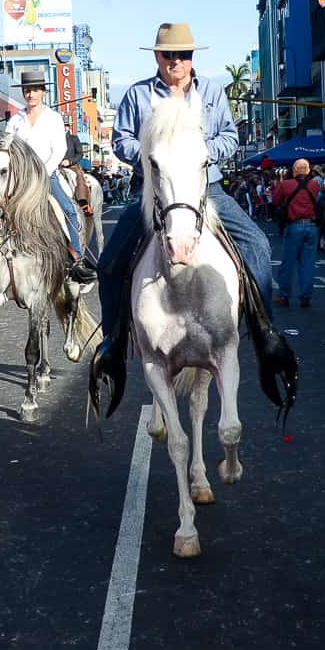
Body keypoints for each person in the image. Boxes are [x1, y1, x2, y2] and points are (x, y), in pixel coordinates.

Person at [89, 23, 276, 393]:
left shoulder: (211, 91)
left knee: (258, 245)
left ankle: (267, 332)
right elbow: (120, 140)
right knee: (109, 263)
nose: (177, 61)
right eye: (169, 54)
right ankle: (112, 340)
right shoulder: (137, 95)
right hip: (154, 191)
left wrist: (203, 151)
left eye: (184, 55)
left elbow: (230, 135)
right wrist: (153, 151)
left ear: (192, 57)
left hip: (208, 191)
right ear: (157, 57)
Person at [7, 69, 95, 284]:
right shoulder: (15, 119)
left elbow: (58, 150)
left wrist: (43, 173)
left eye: (35, 90)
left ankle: (77, 260)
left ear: (43, 92)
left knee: (69, 212)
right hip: (20, 178)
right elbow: (7, 145)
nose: (30, 94)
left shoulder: (53, 118)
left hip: (47, 175)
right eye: (27, 90)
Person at [270, 158, 321, 307]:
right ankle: (306, 296)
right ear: (308, 170)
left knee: (288, 263)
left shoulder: (286, 184)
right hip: (311, 226)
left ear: (293, 170)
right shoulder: (315, 184)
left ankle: (284, 295)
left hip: (294, 225)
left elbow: (275, 201)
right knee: (308, 263)